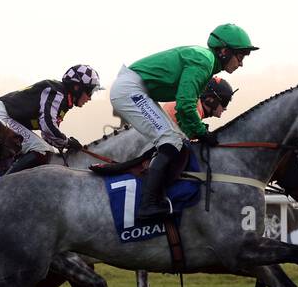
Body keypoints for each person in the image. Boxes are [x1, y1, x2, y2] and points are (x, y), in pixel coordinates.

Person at [109, 24, 257, 222]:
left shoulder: (207, 62)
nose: (241, 63)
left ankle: (155, 196)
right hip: (131, 89)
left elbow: (186, 108)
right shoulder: (204, 61)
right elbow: (185, 105)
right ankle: (148, 204)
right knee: (171, 140)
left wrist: (197, 132)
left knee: (177, 139)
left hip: (136, 88)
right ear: (224, 51)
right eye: (240, 56)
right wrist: (202, 132)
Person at [0, 65, 101, 174]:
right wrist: (68, 142)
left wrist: (66, 143)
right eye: (89, 92)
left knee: (47, 150)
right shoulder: (58, 93)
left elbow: (47, 135)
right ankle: (4, 183)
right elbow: (48, 125)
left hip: (5, 116)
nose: (90, 98)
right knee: (42, 149)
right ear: (77, 87)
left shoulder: (63, 99)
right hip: (2, 116)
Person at [160, 76, 235, 126]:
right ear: (210, 100)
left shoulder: (193, 104)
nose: (225, 108)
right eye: (225, 102)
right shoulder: (194, 111)